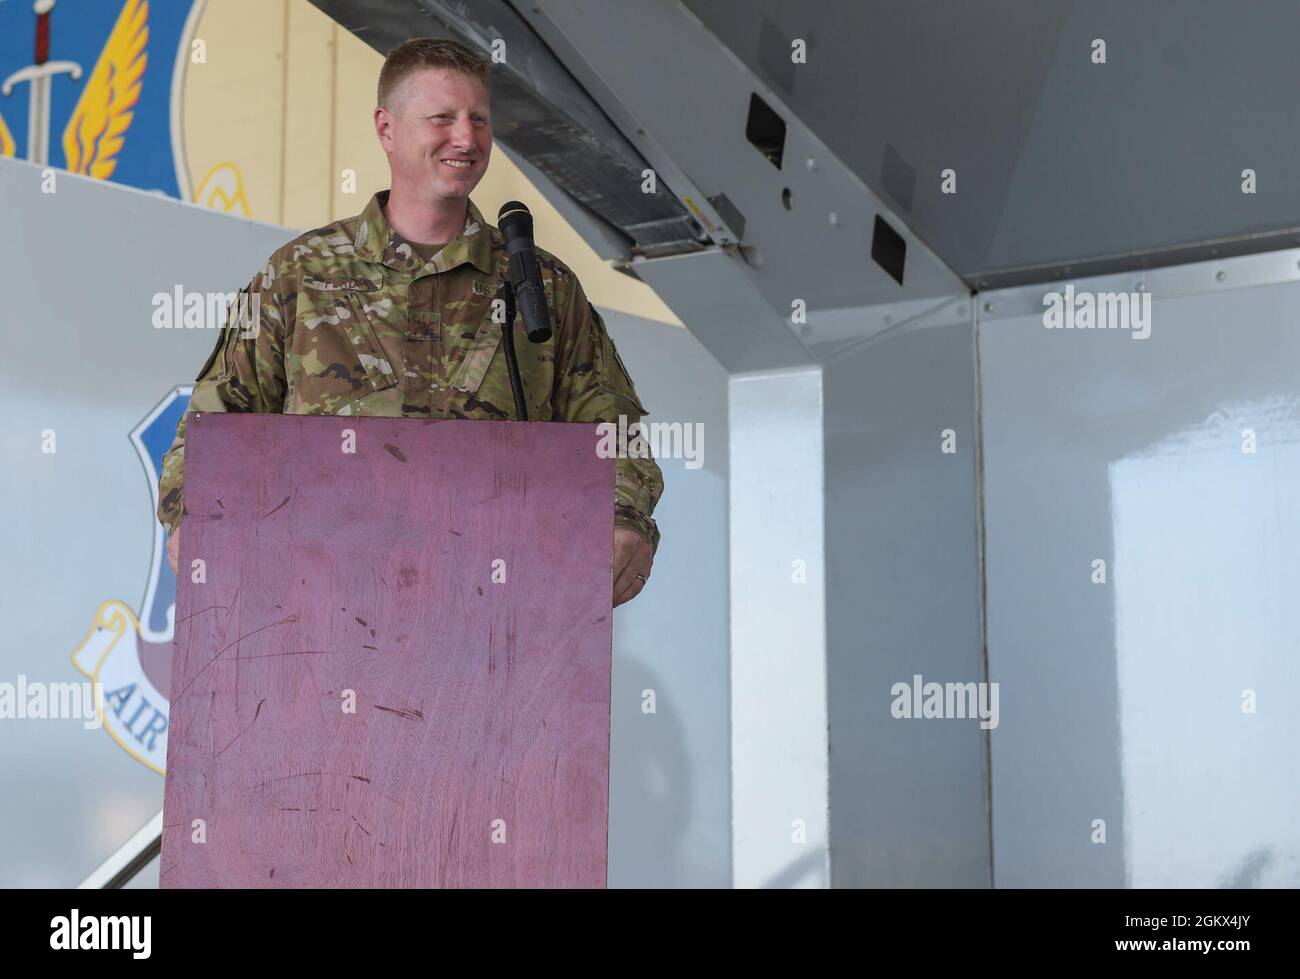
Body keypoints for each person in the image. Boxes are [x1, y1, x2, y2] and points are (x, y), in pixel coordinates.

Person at [157, 38, 662, 607]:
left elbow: (613, 436)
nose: (466, 138)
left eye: (479, 119)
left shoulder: (541, 285)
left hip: (500, 612)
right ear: (386, 128)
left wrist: (624, 521)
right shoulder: (301, 273)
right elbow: (213, 427)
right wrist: (193, 516)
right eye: (441, 118)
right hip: (316, 613)